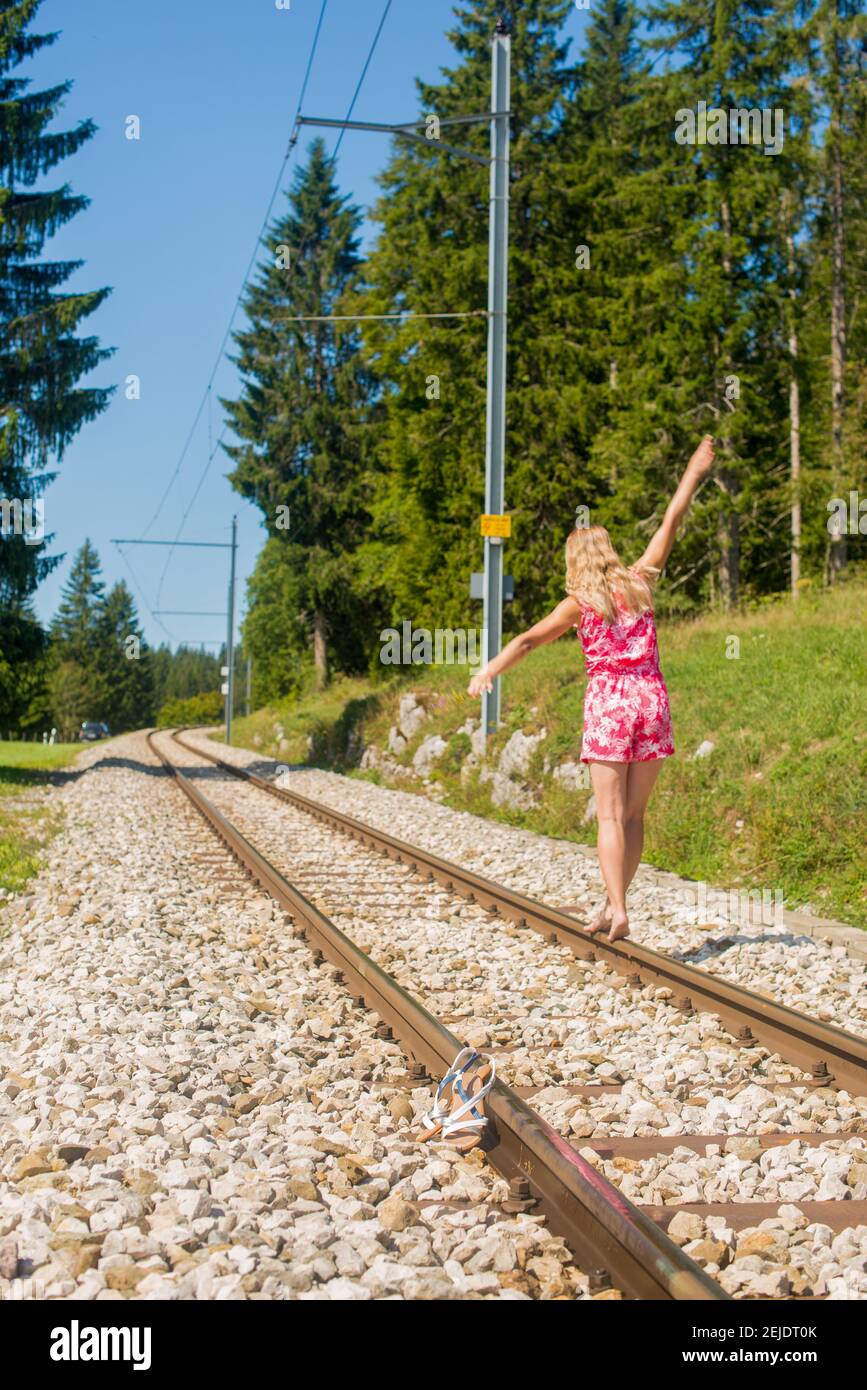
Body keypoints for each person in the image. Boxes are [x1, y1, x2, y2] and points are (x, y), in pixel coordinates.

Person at [467, 434, 715, 943]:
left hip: (609, 704)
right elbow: (671, 522)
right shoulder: (640, 582)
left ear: (575, 560)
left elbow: (529, 639)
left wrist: (489, 669)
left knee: (609, 815)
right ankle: (612, 902)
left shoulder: (578, 603)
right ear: (609, 552)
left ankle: (618, 908)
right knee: (636, 815)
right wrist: (692, 472)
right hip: (651, 700)